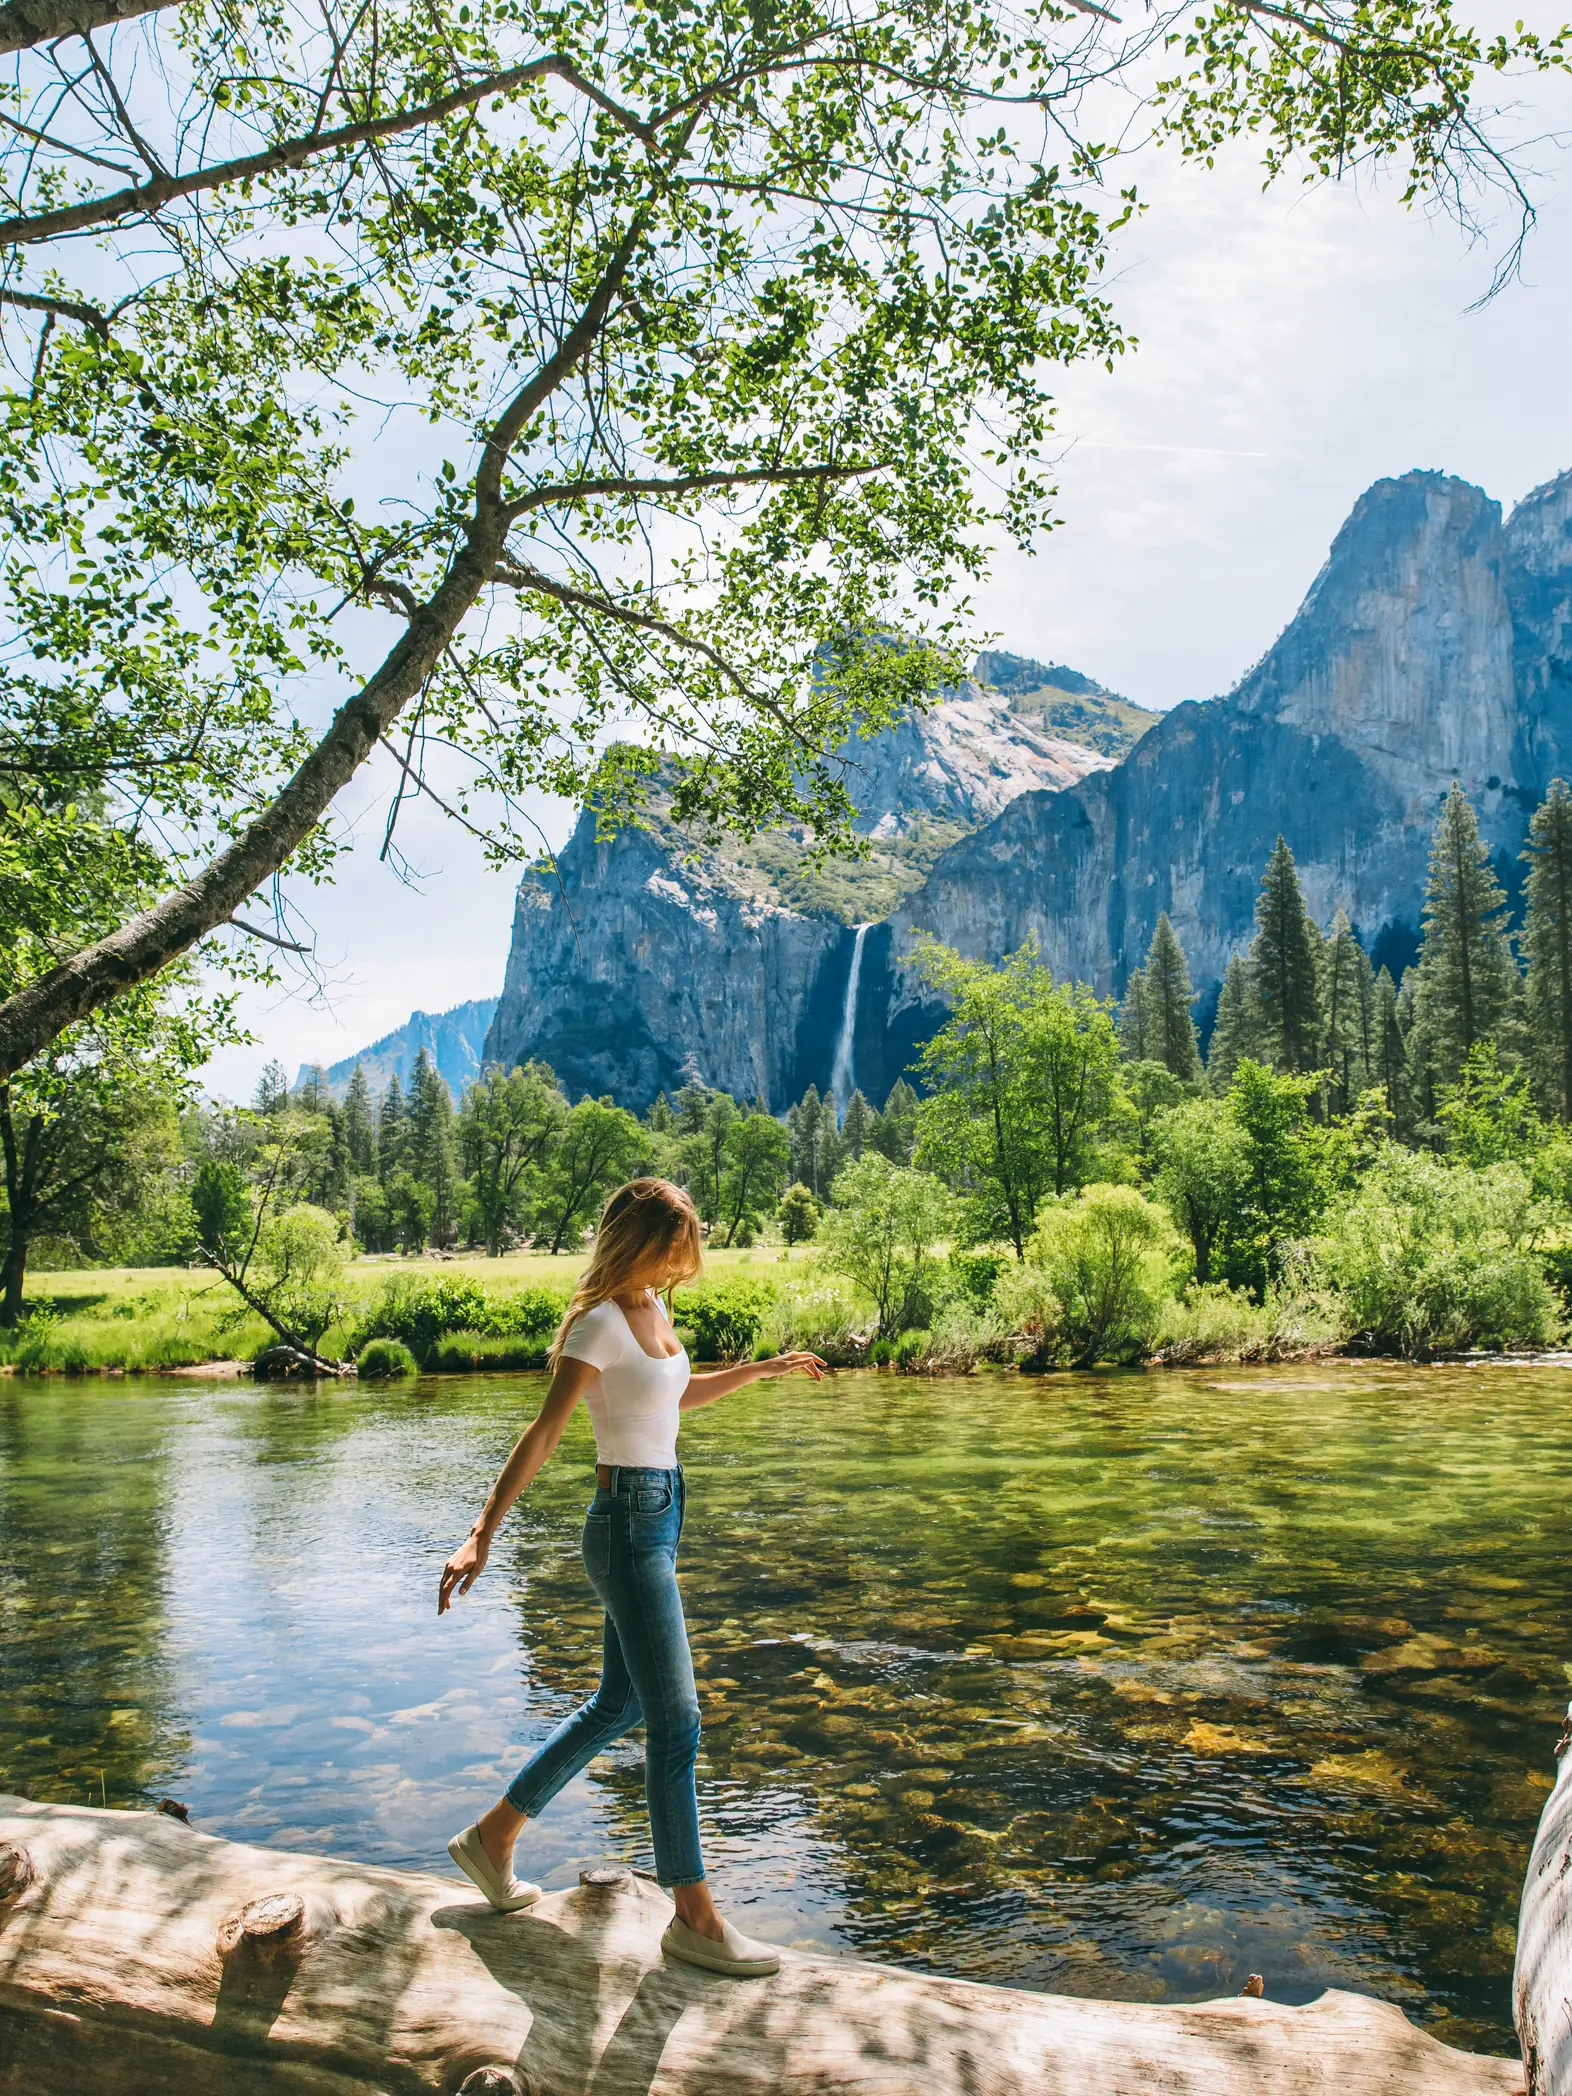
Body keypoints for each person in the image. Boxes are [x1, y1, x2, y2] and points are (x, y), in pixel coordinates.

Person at [438, 1176, 826, 1978]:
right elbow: (544, 1435)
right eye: (673, 1246)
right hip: (624, 1528)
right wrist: (481, 1534)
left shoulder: (655, 1309)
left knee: (618, 1704)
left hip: (663, 1513)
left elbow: (672, 1404)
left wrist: (765, 1369)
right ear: (639, 1240)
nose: (684, 1263)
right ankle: (696, 1920)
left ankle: (492, 1838)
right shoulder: (598, 1323)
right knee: (676, 1723)